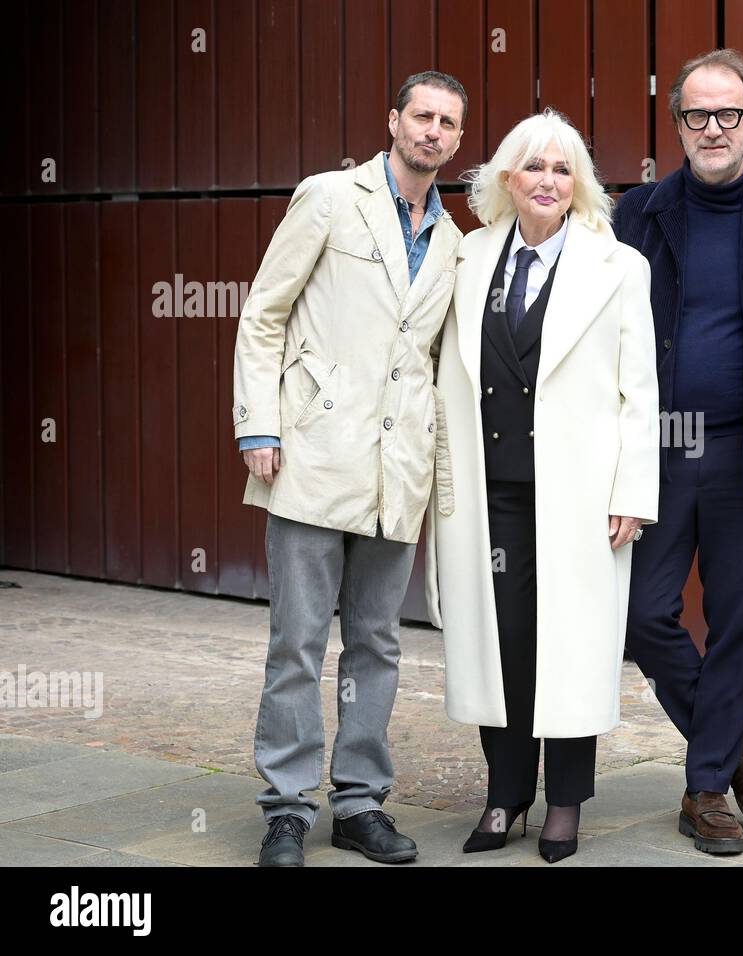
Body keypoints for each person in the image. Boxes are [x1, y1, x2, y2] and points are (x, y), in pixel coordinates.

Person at [233, 70, 466, 867]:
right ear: (393, 120)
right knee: (297, 642)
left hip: (394, 478)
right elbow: (264, 313)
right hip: (309, 459)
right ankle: (287, 810)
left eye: (448, 123)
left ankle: (360, 802)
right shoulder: (330, 198)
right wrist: (257, 425)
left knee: (376, 645)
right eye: (422, 116)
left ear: (458, 142)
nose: (433, 131)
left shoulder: (453, 244)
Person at [424, 108, 659, 864]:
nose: (548, 181)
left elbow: (640, 391)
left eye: (563, 169)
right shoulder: (467, 258)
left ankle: (564, 803)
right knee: (502, 645)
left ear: (579, 183)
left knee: (571, 646)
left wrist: (633, 490)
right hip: (487, 493)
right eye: (534, 167)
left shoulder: (617, 266)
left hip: (580, 497)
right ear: (506, 180)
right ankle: (504, 795)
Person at [613, 49, 743, 855]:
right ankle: (734, 743)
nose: (713, 128)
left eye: (729, 114)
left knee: (735, 623)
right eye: (698, 114)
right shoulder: (636, 215)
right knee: (643, 614)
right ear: (679, 126)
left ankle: (706, 792)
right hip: (655, 450)